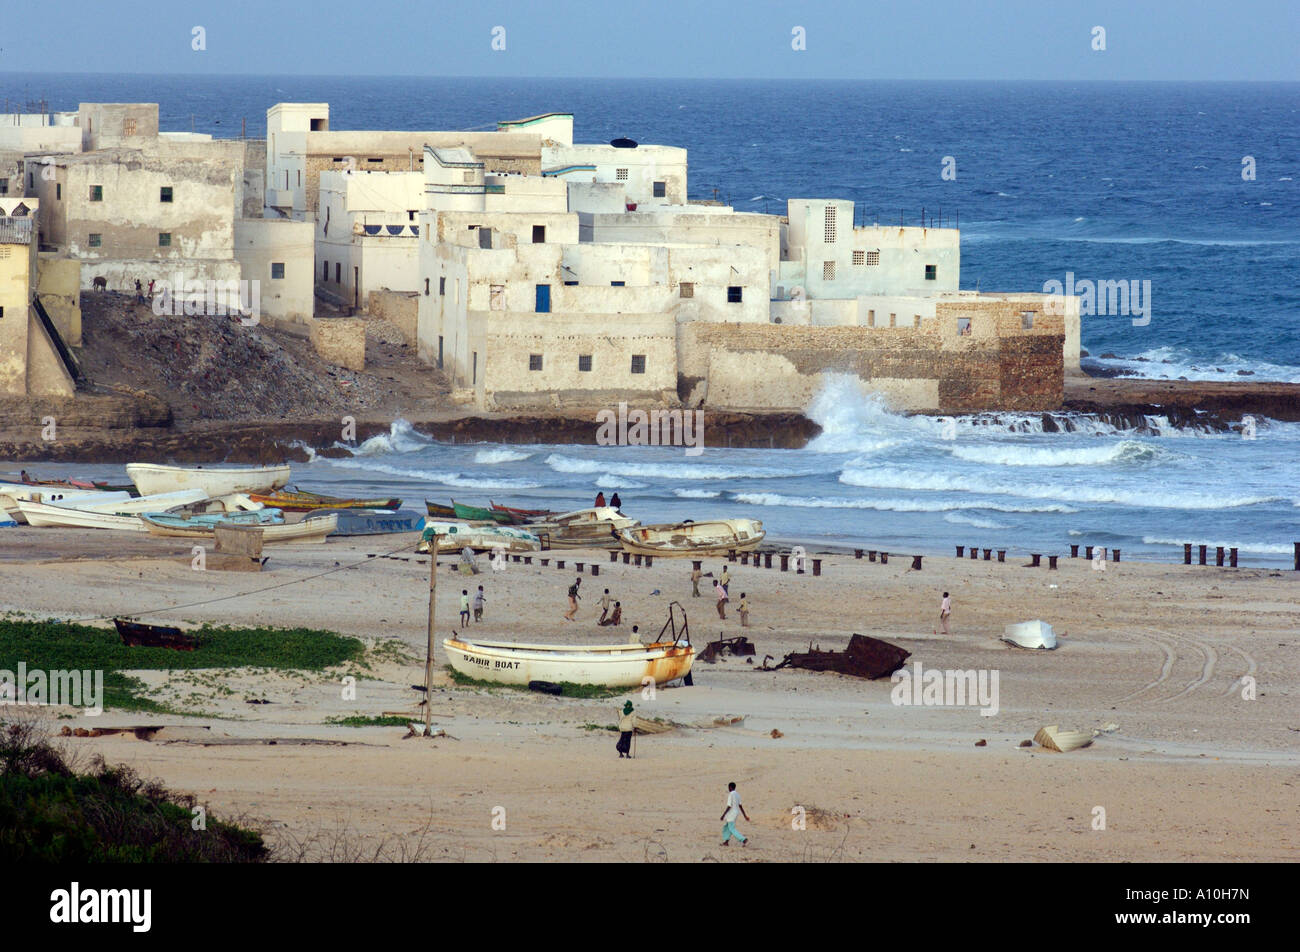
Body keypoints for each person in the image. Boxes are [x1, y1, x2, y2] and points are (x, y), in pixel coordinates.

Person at [720, 781, 749, 847]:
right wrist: (745, 816)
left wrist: (723, 815)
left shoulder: (731, 794)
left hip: (731, 813)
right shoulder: (737, 794)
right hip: (735, 813)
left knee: (731, 828)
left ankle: (743, 839)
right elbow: (740, 806)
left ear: (730, 787)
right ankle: (726, 842)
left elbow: (729, 806)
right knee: (727, 827)